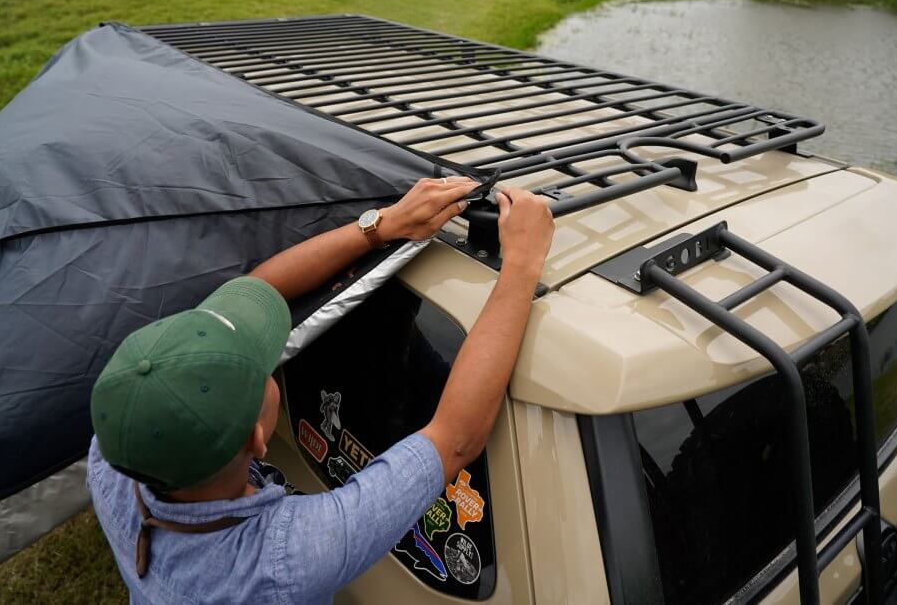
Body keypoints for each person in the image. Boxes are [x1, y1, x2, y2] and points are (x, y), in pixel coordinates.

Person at [87, 176, 555, 604]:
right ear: (256, 438)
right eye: (261, 370)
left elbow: (253, 291)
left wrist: (384, 225)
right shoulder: (284, 561)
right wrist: (521, 266)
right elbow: (455, 438)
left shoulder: (113, 456)